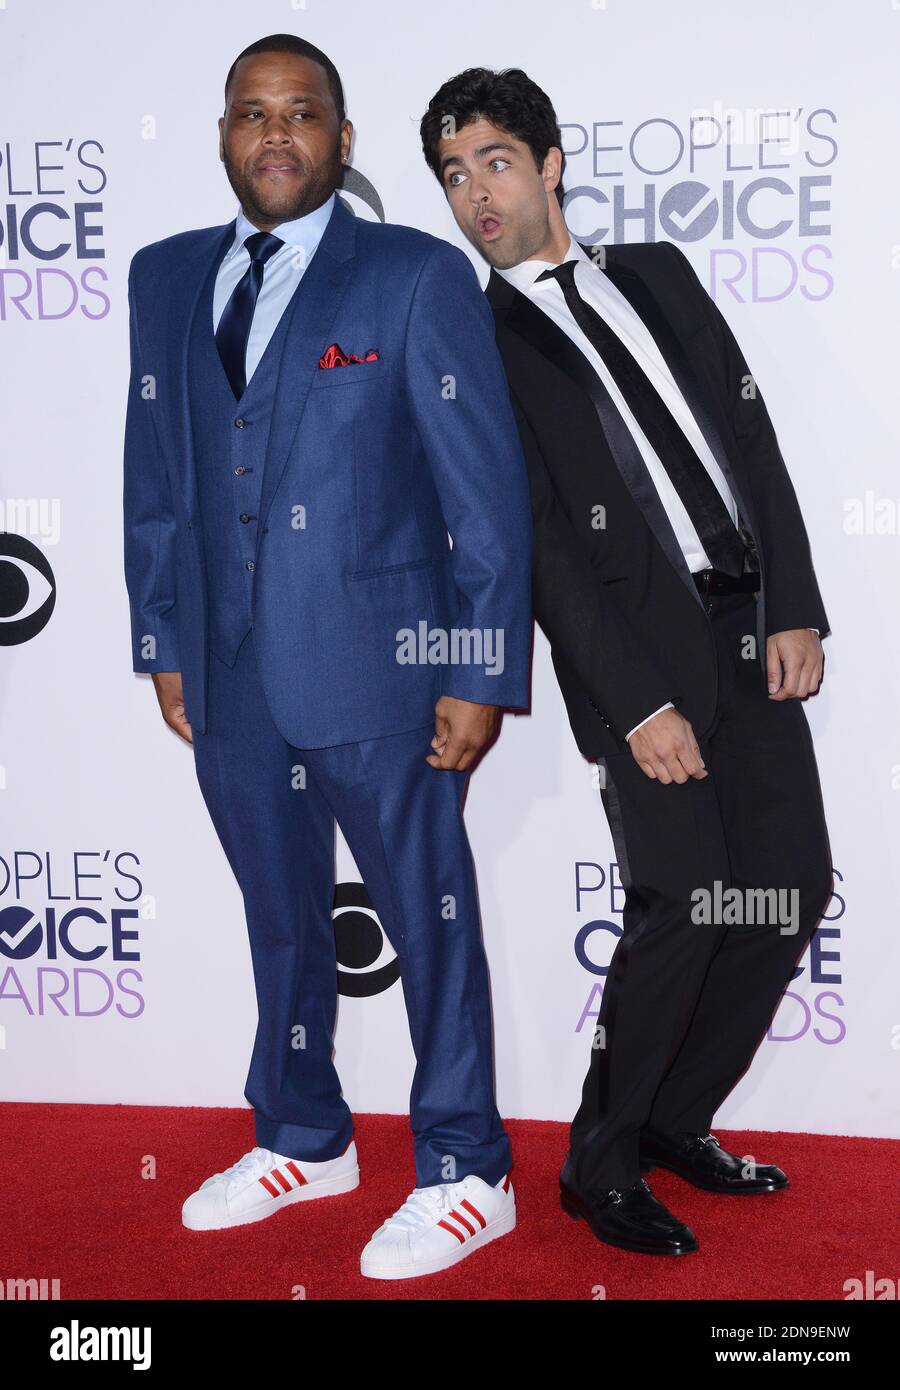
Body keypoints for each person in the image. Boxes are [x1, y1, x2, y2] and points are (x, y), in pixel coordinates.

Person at [123, 35, 532, 1280]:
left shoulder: (412, 277)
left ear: (343, 143)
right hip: (232, 674)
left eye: (304, 112)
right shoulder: (165, 278)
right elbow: (156, 480)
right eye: (254, 113)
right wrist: (164, 639)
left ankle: (468, 1166)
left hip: (387, 668)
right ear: (225, 137)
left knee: (431, 915)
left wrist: (476, 666)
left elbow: (487, 493)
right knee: (281, 919)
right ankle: (305, 1133)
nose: (277, 132)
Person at [420, 66, 833, 1256]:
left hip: (749, 627)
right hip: (636, 661)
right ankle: (596, 1163)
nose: (477, 195)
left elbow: (746, 433)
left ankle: (672, 1122)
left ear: (550, 164)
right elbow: (535, 541)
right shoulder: (476, 340)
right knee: (686, 901)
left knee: (788, 889)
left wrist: (794, 601)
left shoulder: (656, 271)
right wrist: (636, 698)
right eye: (454, 176)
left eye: (496, 162)